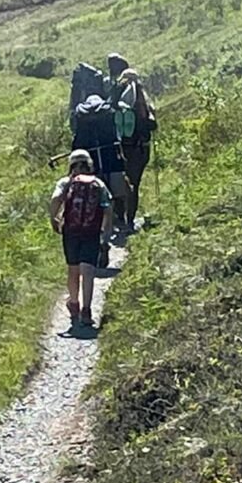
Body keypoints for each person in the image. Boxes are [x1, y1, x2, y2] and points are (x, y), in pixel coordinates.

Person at [49, 149, 113, 331]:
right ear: (89, 165)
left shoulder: (66, 182)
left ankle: (74, 304)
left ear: (71, 165)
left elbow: (55, 200)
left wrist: (53, 218)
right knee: (88, 271)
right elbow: (108, 209)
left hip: (71, 231)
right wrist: (105, 235)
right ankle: (86, 310)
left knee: (73, 269)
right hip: (91, 232)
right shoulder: (98, 183)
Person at [107, 55, 157, 230]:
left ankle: (120, 216)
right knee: (134, 183)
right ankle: (130, 219)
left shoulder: (117, 95)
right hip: (141, 148)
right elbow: (153, 124)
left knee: (120, 181)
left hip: (120, 147)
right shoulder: (143, 99)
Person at [72, 92, 131, 230]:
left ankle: (96, 219)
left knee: (95, 189)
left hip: (91, 157)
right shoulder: (107, 111)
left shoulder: (81, 114)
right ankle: (120, 217)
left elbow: (77, 140)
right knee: (118, 190)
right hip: (110, 155)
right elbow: (116, 134)